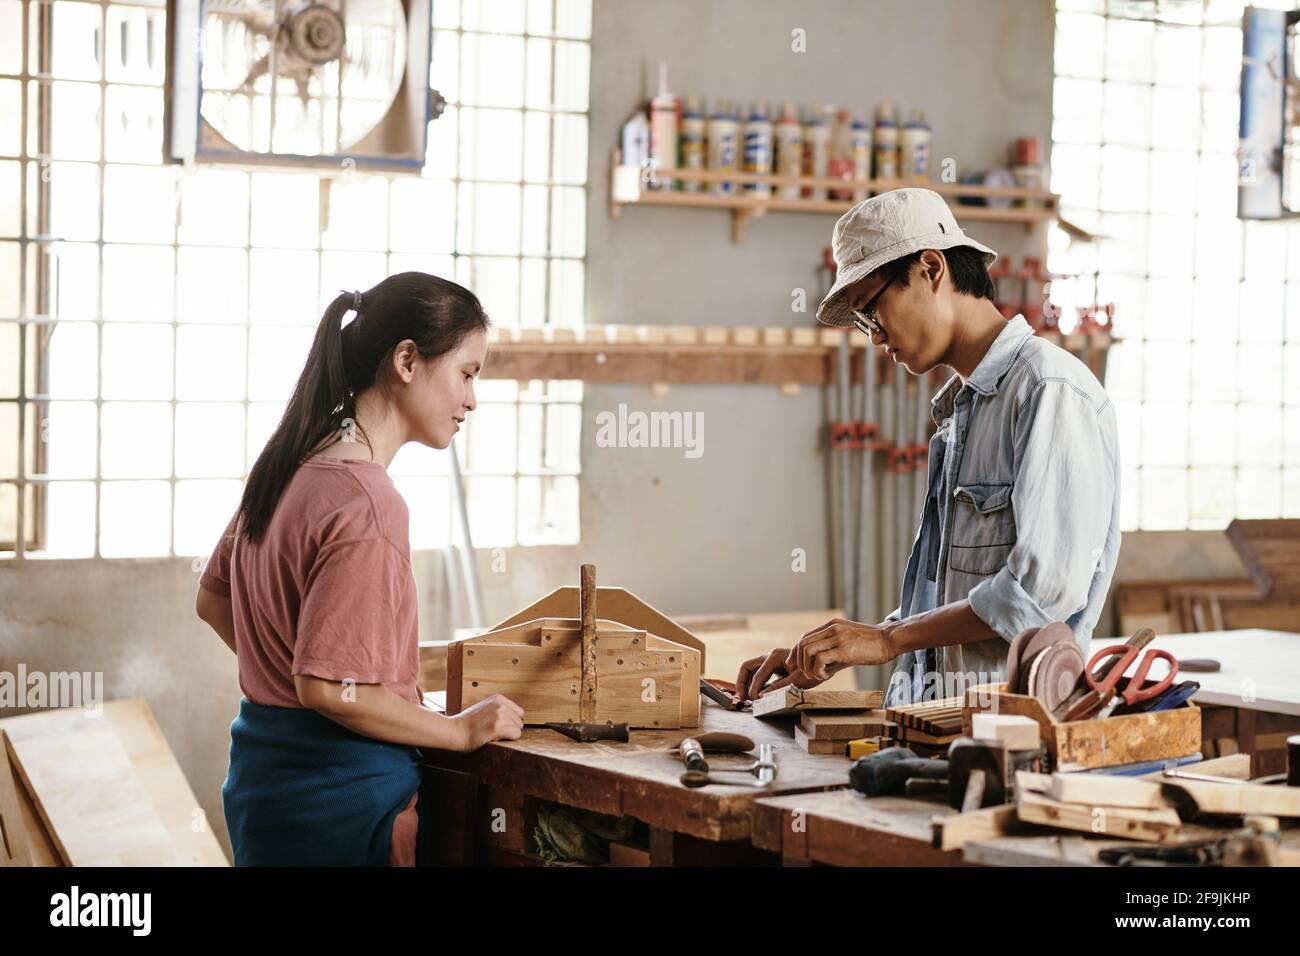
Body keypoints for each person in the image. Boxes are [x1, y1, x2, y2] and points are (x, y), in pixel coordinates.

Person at [737, 189, 1121, 707]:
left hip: (1019, 740)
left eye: (873, 311)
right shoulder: (960, 414)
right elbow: (948, 608)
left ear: (932, 269)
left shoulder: (1049, 390)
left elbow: (1038, 594)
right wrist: (841, 648)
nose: (875, 337)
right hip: (936, 725)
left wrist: (886, 640)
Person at [195, 271, 523, 866]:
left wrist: (285, 678)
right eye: (467, 373)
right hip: (344, 806)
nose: (472, 399)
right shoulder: (368, 504)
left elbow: (213, 602)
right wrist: (458, 730)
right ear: (406, 360)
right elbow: (326, 687)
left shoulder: (288, 465)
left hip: (263, 792)